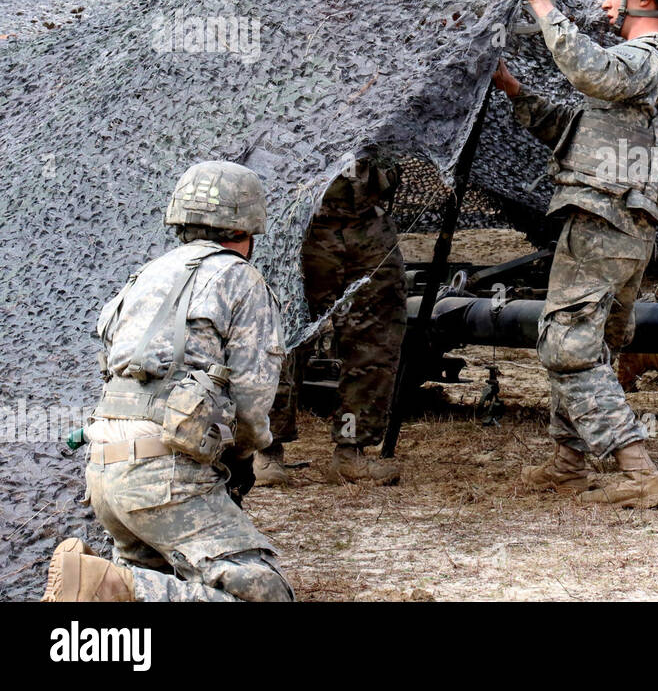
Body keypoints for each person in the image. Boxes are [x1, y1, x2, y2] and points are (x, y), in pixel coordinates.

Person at [493, 0, 658, 508]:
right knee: (590, 344)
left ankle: (637, 472)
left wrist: (543, 5)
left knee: (566, 344)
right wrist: (512, 88)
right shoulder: (646, 71)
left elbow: (589, 71)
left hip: (607, 221)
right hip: (619, 222)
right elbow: (573, 129)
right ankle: (568, 462)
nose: (606, 5)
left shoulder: (648, 58)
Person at [42, 160, 293, 602]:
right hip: (164, 474)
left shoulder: (146, 276)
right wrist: (239, 455)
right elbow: (252, 405)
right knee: (263, 593)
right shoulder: (240, 279)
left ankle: (113, 582)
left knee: (170, 582)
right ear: (249, 226)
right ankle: (113, 587)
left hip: (104, 470)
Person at [254, 152, 403, 486]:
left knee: (373, 340)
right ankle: (267, 449)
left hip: (368, 228)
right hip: (301, 225)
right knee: (286, 336)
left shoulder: (377, 111)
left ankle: (351, 450)